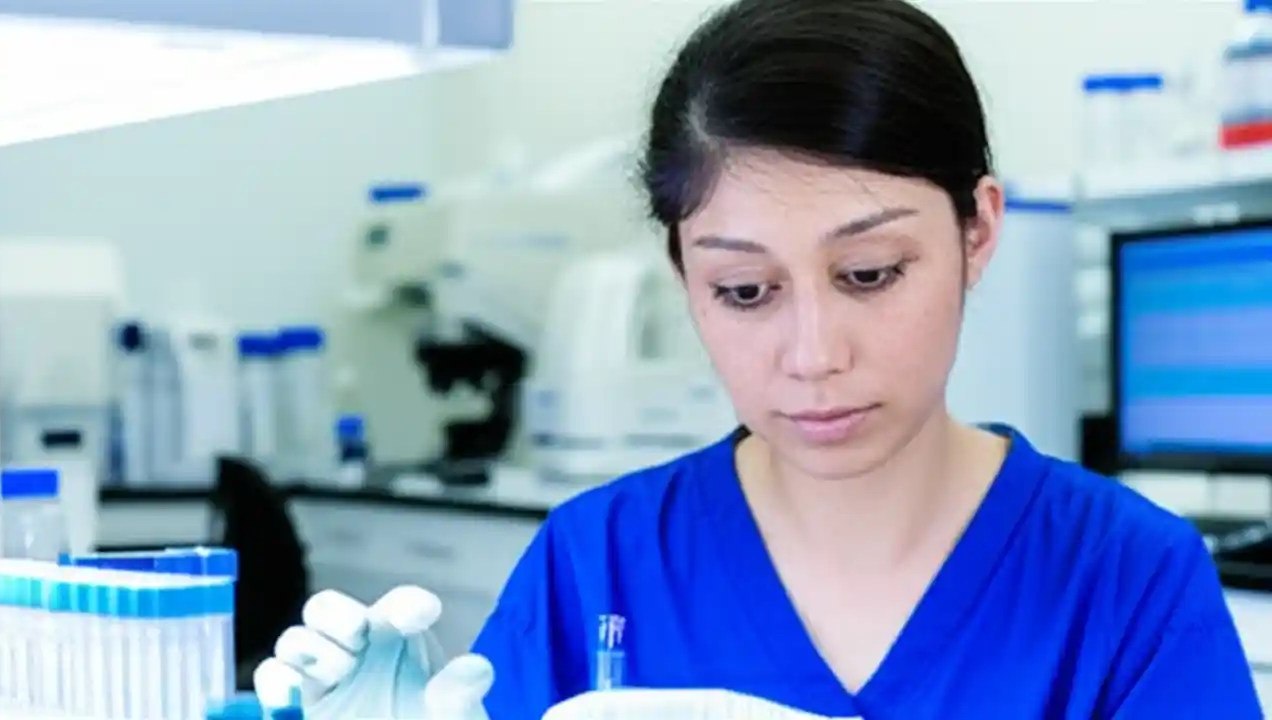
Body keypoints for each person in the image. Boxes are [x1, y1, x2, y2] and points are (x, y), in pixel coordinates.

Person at [262, 0, 1263, 717]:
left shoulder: (1124, 580)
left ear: (976, 231)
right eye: (744, 292)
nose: (812, 354)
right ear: (682, 273)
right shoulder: (597, 561)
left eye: (869, 273)